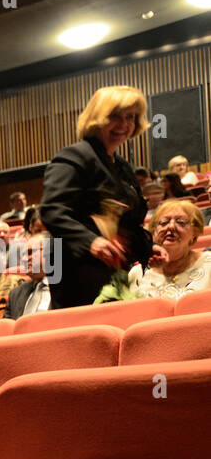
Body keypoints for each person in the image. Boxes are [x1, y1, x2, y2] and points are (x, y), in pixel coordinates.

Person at [40, 85, 152, 308]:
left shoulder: (123, 167)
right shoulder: (75, 156)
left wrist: (148, 247)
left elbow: (129, 221)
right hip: (75, 272)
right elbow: (52, 210)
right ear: (97, 118)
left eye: (130, 117)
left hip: (114, 270)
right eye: (115, 116)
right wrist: (92, 242)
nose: (124, 124)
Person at [126, 199, 211, 299]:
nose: (171, 227)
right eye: (163, 223)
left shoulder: (208, 265)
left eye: (181, 222)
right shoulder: (137, 273)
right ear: (154, 231)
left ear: (195, 232)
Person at [6, 236, 55, 320]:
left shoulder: (70, 287)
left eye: (29, 253)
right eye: (23, 255)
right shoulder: (15, 294)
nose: (24, 259)